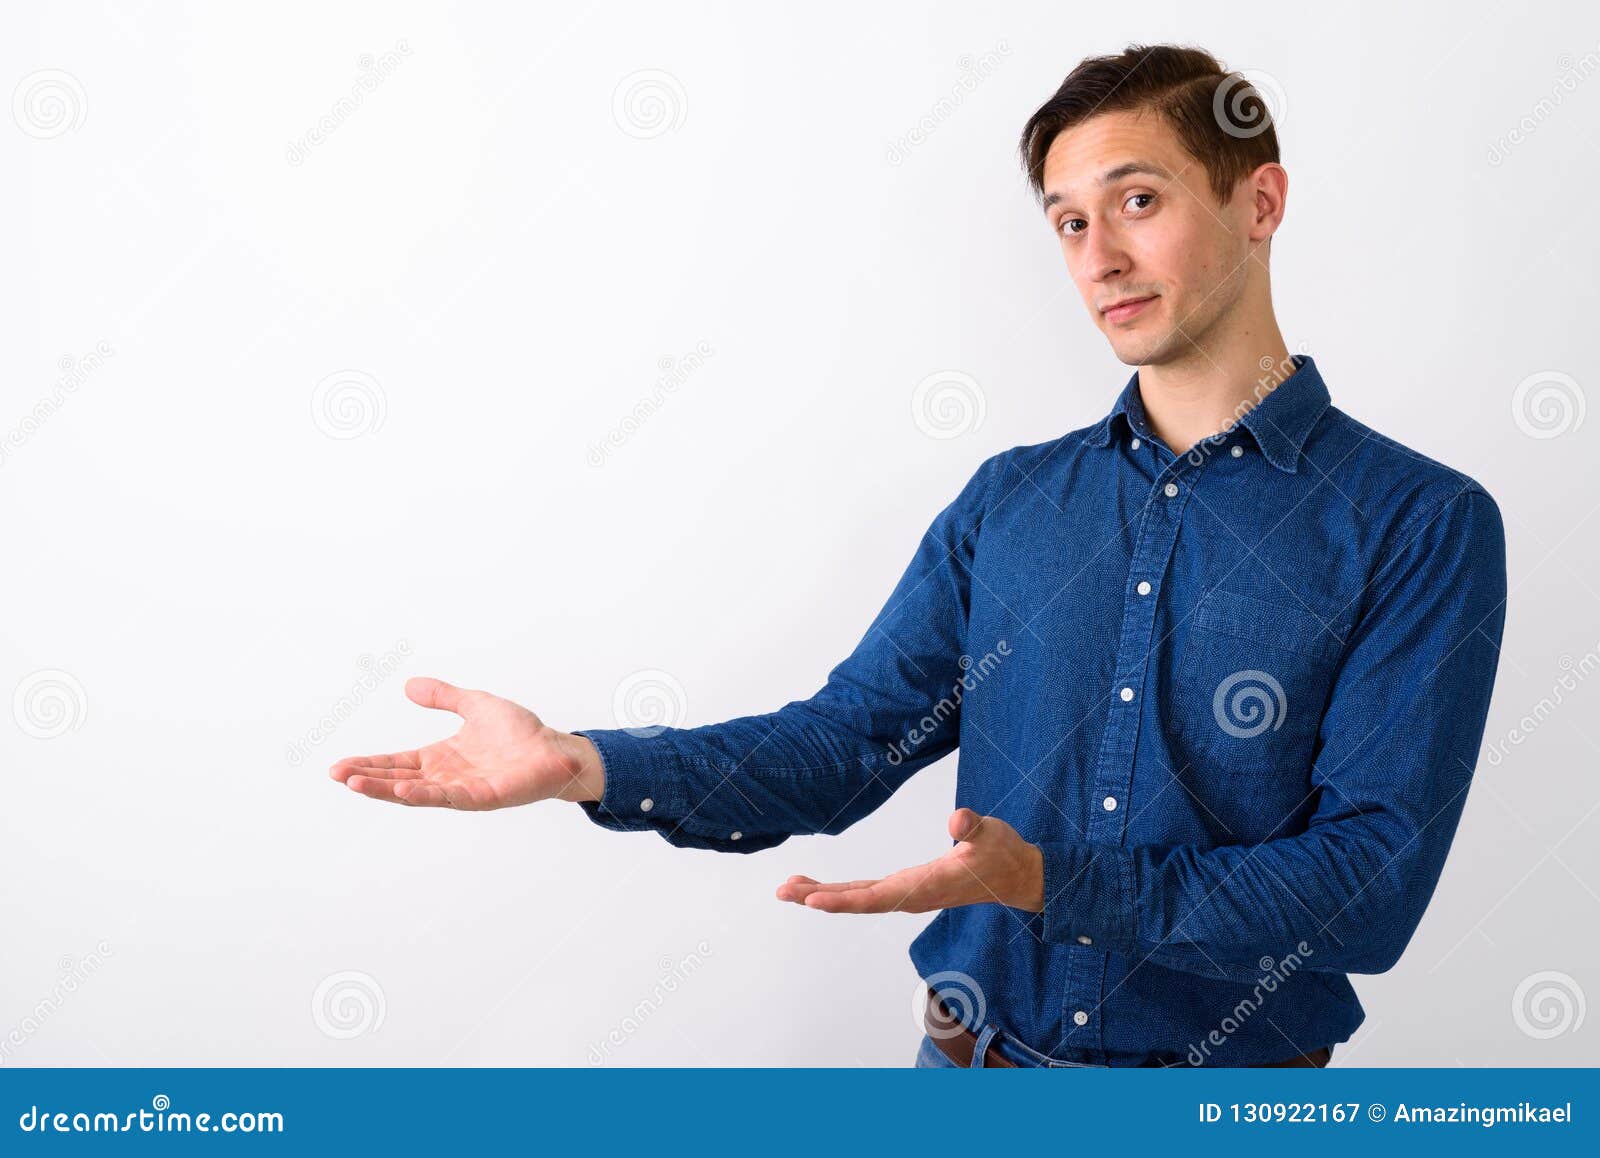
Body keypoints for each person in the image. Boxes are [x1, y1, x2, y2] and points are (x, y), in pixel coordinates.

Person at [330, 43, 1507, 1068]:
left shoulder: (1419, 524)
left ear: (1259, 203)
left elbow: (1368, 890)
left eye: (1136, 201)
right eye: (1065, 220)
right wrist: (584, 762)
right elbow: (840, 747)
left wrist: (1052, 883)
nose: (1095, 255)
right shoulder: (1012, 503)